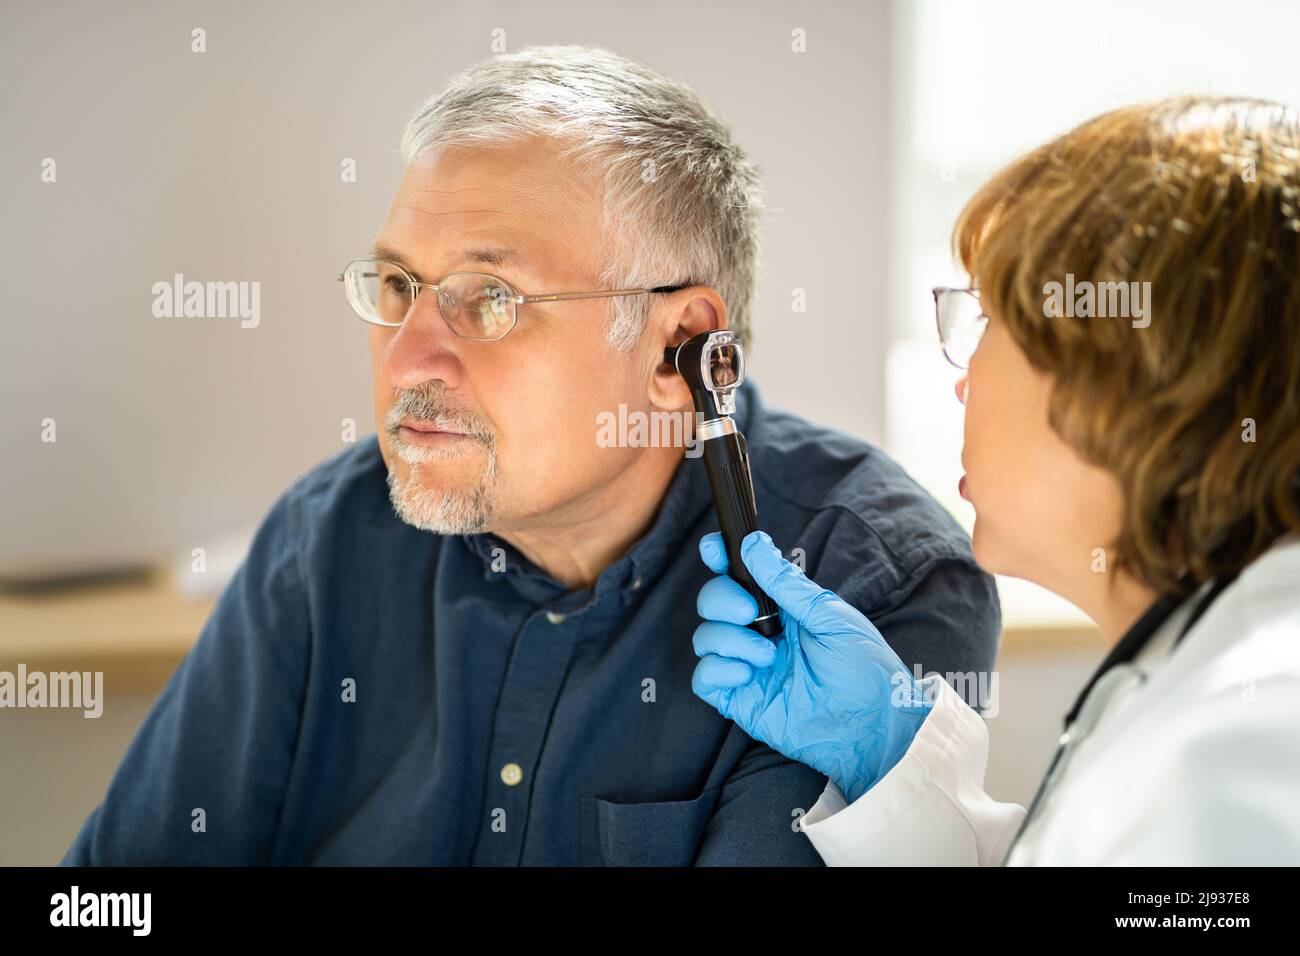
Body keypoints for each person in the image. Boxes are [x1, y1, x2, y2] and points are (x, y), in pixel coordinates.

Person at [61, 45, 1000, 866]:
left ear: (682, 349)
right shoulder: (328, 536)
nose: (406, 360)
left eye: (489, 298)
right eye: (398, 285)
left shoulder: (870, 588)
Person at [691, 96, 1300, 865]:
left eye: (988, 323)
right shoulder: (1197, 687)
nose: (963, 383)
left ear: (1129, 373)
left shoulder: (1244, 748)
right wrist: (888, 761)